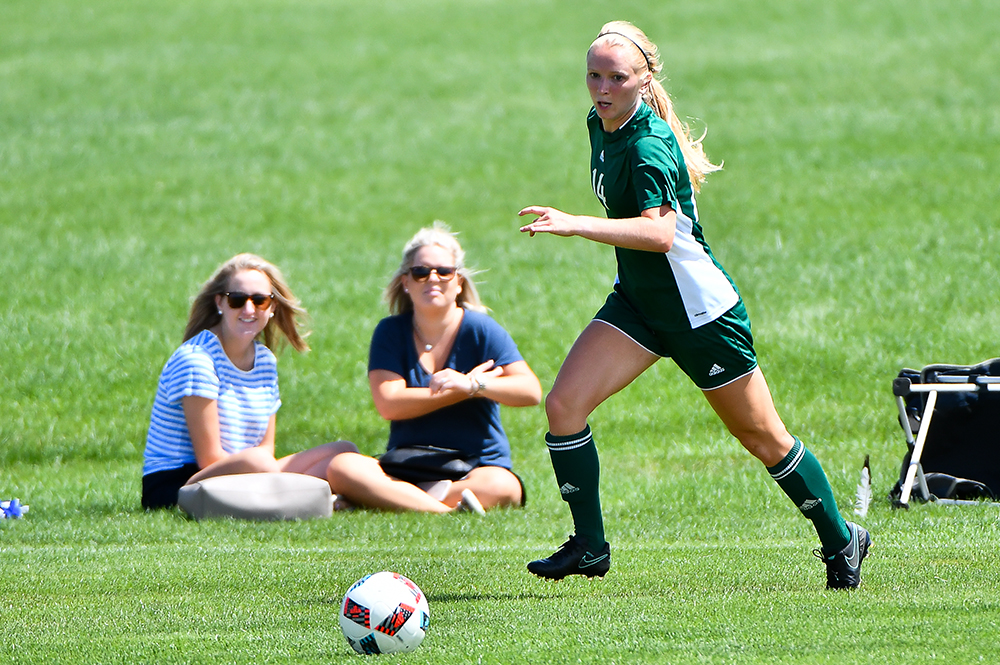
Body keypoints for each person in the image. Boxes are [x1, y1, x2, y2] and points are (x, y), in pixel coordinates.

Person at [517, 21, 871, 589]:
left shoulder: (648, 144)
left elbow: (659, 235)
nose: (602, 88)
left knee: (762, 438)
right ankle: (589, 547)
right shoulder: (599, 123)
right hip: (639, 304)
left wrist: (575, 224)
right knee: (564, 406)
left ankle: (841, 539)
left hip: (700, 315)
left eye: (616, 77)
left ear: (644, 80)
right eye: (594, 75)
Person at [326, 223, 542, 513]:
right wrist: (461, 390)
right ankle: (444, 509)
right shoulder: (390, 331)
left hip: (475, 466)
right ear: (406, 282)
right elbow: (389, 404)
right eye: (421, 272)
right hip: (407, 466)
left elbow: (530, 391)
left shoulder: (481, 329)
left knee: (504, 486)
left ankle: (397, 499)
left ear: (459, 282)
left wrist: (474, 384)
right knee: (342, 466)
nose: (433, 279)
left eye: (444, 271)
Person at [141, 253, 358, 509]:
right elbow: (210, 458)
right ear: (220, 303)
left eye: (259, 300)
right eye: (237, 300)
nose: (248, 309)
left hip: (246, 472)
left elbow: (266, 449)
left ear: (272, 307)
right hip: (179, 484)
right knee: (259, 462)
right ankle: (313, 498)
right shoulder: (197, 359)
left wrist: (263, 470)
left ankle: (308, 496)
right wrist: (263, 470)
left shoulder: (265, 361)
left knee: (343, 452)